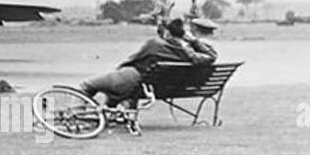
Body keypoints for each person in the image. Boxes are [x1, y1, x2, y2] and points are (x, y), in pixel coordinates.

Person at [77, 17, 213, 107]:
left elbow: (133, 59)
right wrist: (194, 41)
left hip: (134, 80)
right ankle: (109, 116)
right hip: (158, 86)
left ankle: (79, 117)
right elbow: (211, 56)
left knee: (86, 85)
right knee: (119, 89)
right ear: (184, 35)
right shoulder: (188, 53)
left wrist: (119, 70)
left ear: (167, 33)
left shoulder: (154, 44)